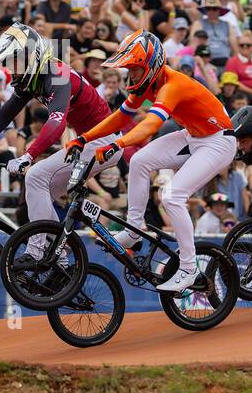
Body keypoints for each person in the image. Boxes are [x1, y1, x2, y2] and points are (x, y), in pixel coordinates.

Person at [65, 29, 237, 292]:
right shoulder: (150, 83)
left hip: (218, 141)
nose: (130, 75)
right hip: (194, 135)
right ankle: (134, 230)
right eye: (129, 69)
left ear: (151, 65)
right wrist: (84, 138)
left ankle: (189, 268)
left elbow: (150, 125)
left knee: (171, 197)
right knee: (140, 161)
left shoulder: (172, 85)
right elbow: (120, 118)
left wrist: (118, 143)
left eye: (134, 69)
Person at [0, 23, 118, 225]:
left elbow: (57, 121)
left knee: (34, 177)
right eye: (8, 62)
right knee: (41, 192)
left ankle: (39, 250)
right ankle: (56, 249)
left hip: (103, 141)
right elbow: (1, 117)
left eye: (14, 61)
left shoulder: (57, 73)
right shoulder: (33, 78)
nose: (10, 69)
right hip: (90, 140)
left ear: (31, 57)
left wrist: (29, 155)